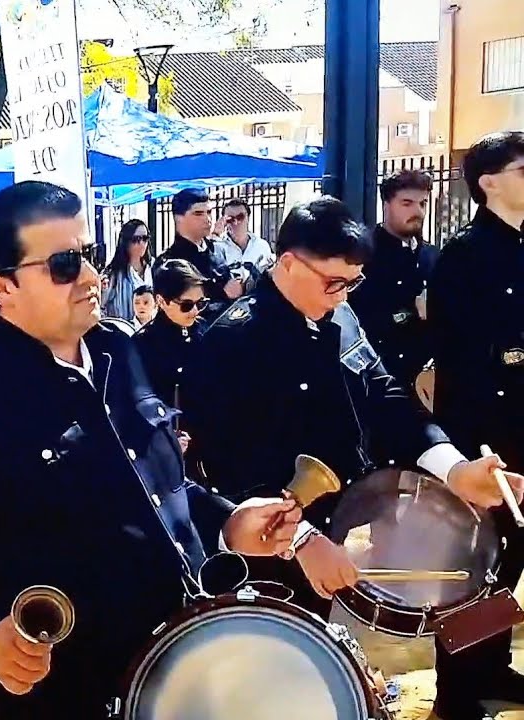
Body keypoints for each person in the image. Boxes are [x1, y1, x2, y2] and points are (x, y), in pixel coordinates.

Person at [0, 181, 305, 718]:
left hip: (179, 658)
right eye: (63, 263)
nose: (88, 275)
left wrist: (227, 523)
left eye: (89, 255)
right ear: (1, 286)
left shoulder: (119, 348)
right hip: (57, 692)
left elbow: (153, 482)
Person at [180, 197, 523, 619]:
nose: (342, 295)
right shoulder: (230, 343)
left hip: (340, 519)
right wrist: (299, 539)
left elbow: (385, 396)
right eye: (333, 282)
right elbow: (228, 466)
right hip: (266, 545)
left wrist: (453, 468)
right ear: (288, 264)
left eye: (351, 283)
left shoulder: (340, 317)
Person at [427, 130, 524, 720]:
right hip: (486, 435)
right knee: (479, 562)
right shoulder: (463, 256)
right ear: (489, 183)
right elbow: (460, 357)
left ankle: (490, 666)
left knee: (512, 563)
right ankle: (457, 688)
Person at [349, 170, 439, 390]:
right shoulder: (362, 254)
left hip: (428, 385)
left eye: (423, 203)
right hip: (376, 380)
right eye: (406, 203)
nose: (417, 211)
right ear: (386, 204)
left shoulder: (433, 256)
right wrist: (411, 310)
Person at [132, 259, 207, 407]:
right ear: (161, 301)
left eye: (200, 303)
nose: (195, 311)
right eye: (186, 305)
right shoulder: (142, 344)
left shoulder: (206, 332)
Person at [159, 188, 241, 306]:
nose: (207, 219)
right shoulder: (168, 262)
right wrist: (223, 294)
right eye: (198, 213)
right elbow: (178, 309)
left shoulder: (218, 250)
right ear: (179, 218)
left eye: (209, 212)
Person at [100, 219, 153, 322]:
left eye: (145, 238)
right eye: (136, 239)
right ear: (126, 241)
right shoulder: (113, 273)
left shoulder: (154, 268)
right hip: (123, 333)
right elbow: (100, 307)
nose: (142, 243)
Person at [214, 198, 275, 270]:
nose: (236, 223)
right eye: (230, 219)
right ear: (224, 221)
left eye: (240, 217)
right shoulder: (217, 247)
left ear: (248, 218)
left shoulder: (262, 246)